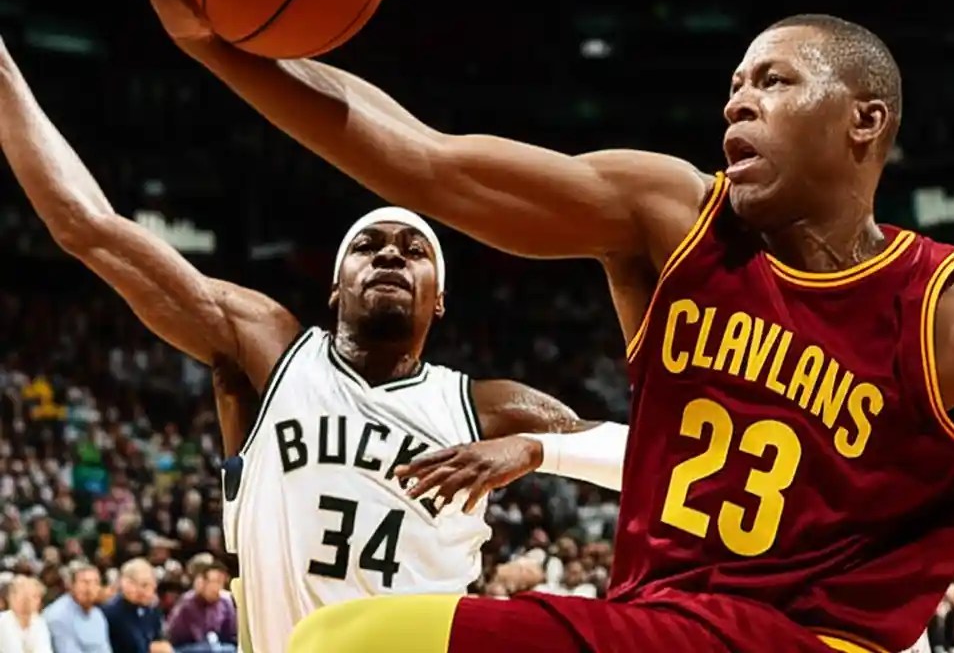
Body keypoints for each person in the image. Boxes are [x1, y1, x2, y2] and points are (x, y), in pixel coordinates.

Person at [140, 0, 954, 651]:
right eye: (730, 84)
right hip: (654, 623)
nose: (734, 102)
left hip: (800, 644)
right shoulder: (665, 222)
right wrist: (225, 50)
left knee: (348, 645)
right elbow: (425, 164)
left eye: (773, 81)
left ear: (863, 122)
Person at [0, 36, 625, 653]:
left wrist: (538, 447)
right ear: (335, 287)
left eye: (413, 251)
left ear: (438, 299)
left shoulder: (487, 408)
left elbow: (652, 461)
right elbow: (88, 226)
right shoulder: (269, 349)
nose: (388, 254)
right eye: (367, 245)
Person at [165, 554, 237, 653]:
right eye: (214, 582)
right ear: (201, 582)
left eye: (221, 583)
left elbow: (232, 638)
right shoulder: (186, 604)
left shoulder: (225, 602)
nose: (217, 588)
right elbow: (172, 639)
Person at [100, 559, 171, 653]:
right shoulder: (111, 612)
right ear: (127, 584)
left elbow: (159, 639)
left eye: (153, 584)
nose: (151, 590)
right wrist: (150, 649)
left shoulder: (152, 608)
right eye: (145, 585)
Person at [42, 562, 109, 653]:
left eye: (95, 582)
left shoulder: (98, 615)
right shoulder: (58, 615)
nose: (90, 588)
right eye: (85, 582)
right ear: (71, 585)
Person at [0, 575, 53, 653]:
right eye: (34, 597)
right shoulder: (3, 622)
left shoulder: (39, 621)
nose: (39, 602)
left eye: (39, 597)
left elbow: (45, 650)